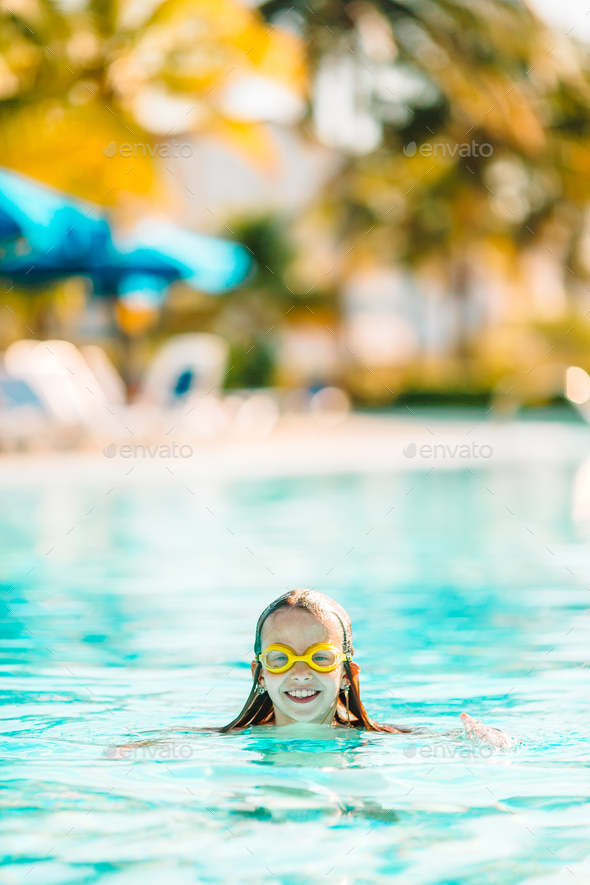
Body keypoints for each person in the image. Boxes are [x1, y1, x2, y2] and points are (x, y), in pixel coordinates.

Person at [219, 589, 513, 748]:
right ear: (259, 673)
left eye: (320, 658)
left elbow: (471, 742)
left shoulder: (382, 740)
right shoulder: (228, 741)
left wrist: (486, 739)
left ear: (347, 674)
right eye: (280, 658)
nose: (300, 673)